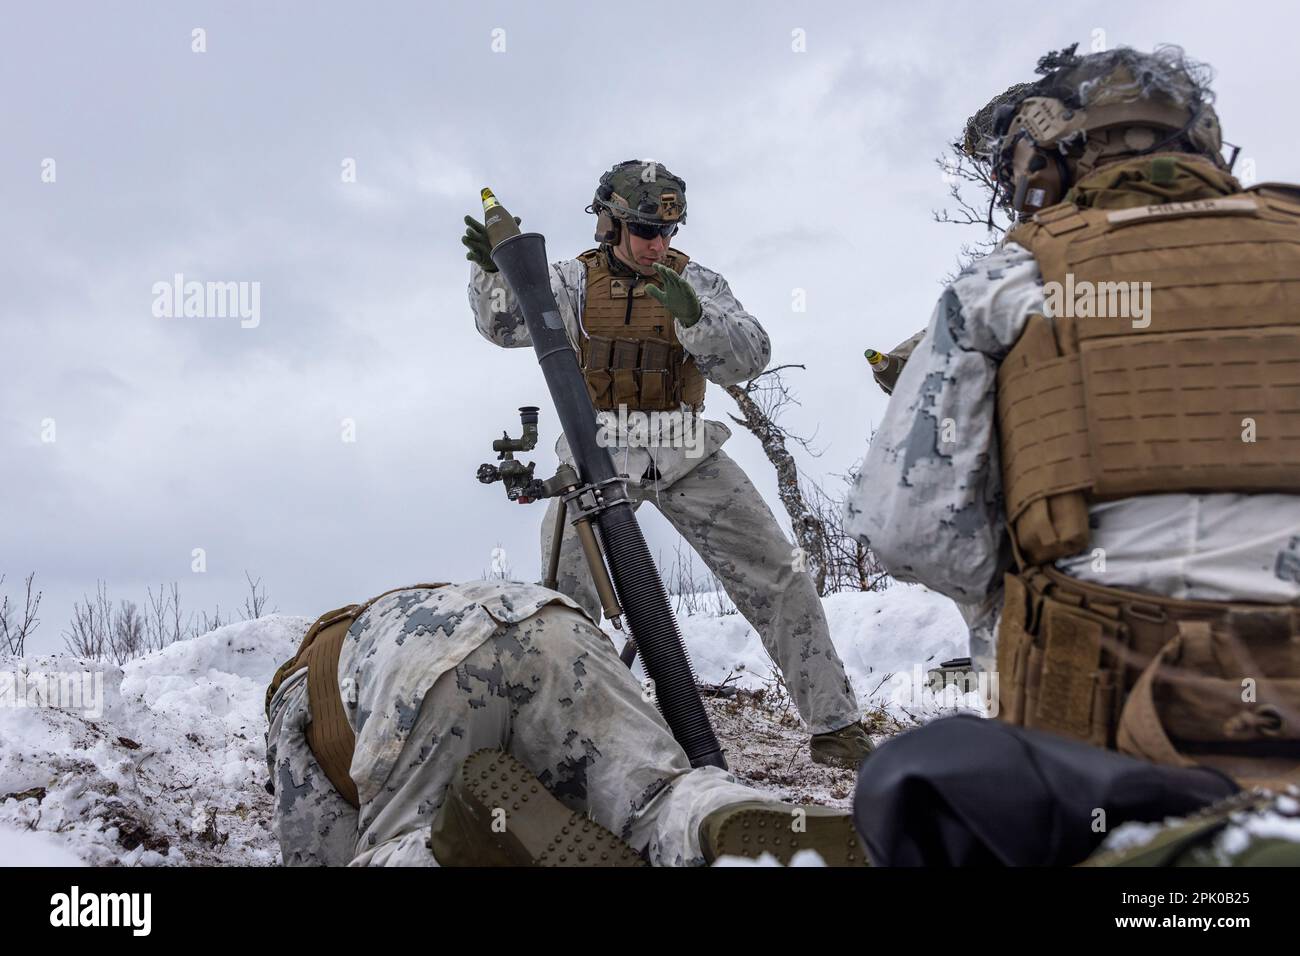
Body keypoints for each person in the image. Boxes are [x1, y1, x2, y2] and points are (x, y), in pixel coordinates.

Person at [845, 44, 1300, 788]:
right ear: (1208, 142)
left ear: (1045, 167)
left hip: (1103, 727)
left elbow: (908, 533)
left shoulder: (1007, 280)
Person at [462, 159, 871, 767]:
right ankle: (556, 740)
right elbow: (504, 325)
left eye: (666, 233)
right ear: (609, 223)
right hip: (596, 441)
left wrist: (695, 317)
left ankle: (836, 726)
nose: (657, 244)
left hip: (684, 442)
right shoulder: (571, 280)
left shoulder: (696, 279)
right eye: (643, 230)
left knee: (777, 574)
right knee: (564, 599)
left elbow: (748, 358)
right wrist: (491, 269)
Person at [263, 581, 866, 866]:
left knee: (391, 853)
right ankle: (720, 818)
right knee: (652, 798)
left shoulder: (293, 702)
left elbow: (315, 852)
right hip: (549, 620)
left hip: (425, 663)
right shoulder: (385, 615)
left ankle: (454, 851)